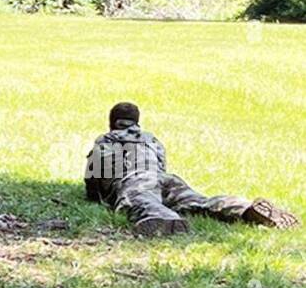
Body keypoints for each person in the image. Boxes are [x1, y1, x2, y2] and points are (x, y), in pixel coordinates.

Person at [83, 101, 297, 236]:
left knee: (141, 202)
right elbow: (161, 163)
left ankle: (164, 220)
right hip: (165, 178)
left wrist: (94, 195)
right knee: (198, 202)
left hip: (135, 181)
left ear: (112, 122)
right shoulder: (150, 139)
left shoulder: (107, 140)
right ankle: (244, 209)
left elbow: (95, 175)